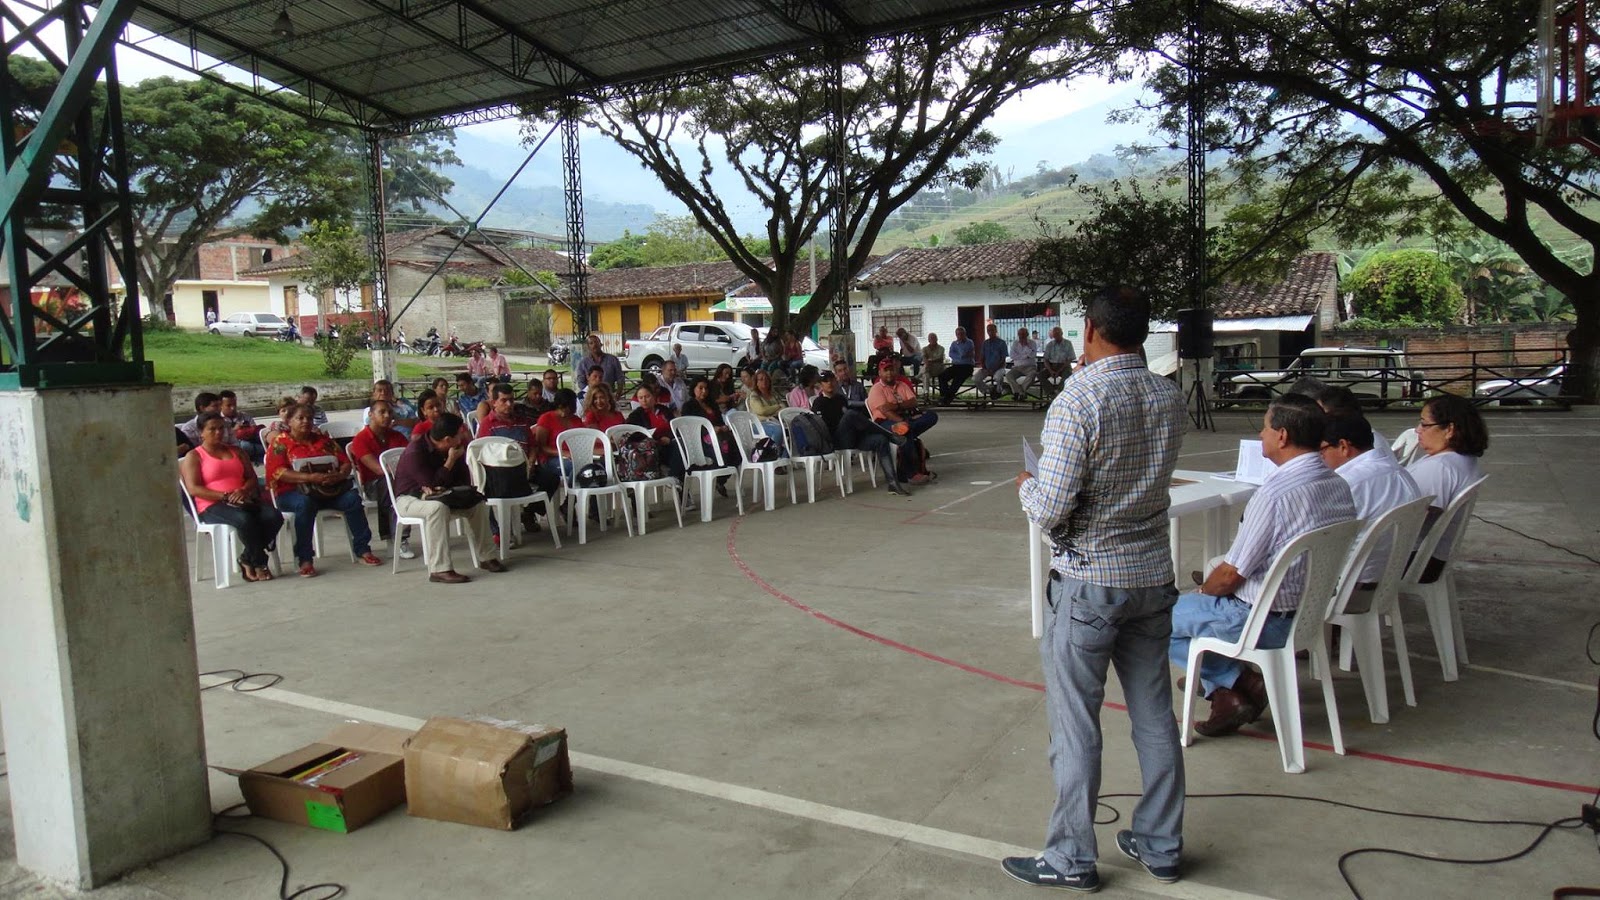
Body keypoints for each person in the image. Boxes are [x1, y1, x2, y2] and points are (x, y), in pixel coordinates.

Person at [1003, 286, 1187, 893]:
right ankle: (1160, 844)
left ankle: (1071, 857)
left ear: (1089, 330)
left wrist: (1029, 485)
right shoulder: (1167, 394)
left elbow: (1052, 508)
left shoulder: (1078, 398)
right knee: (1154, 714)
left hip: (1088, 583)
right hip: (1151, 577)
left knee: (1076, 723)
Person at [1169, 394, 1357, 736]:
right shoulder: (1338, 484)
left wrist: (1202, 591)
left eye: (1265, 428)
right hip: (1308, 615)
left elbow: (1229, 576)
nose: (1261, 436)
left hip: (1259, 620)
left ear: (1282, 436)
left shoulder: (1274, 494)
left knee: (1147, 619)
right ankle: (1232, 691)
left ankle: (1237, 684)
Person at [266, 404, 381, 577]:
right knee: (305, 504)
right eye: (300, 418)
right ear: (289, 421)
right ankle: (304, 559)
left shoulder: (323, 440)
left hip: (327, 489)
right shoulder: (281, 442)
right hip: (292, 492)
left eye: (309, 418)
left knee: (352, 499)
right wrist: (309, 478)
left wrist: (339, 475)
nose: (306, 421)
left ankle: (363, 549)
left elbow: (345, 462)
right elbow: (278, 472)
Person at [390, 413, 506, 584]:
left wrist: (459, 491)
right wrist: (450, 461)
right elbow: (430, 483)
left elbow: (461, 479)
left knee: (477, 502)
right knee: (437, 508)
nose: (463, 436)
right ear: (447, 439)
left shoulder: (454, 447)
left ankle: (487, 557)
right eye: (459, 434)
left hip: (441, 494)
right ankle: (440, 569)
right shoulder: (415, 452)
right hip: (409, 499)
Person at [1318, 412, 1421, 591]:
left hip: (1347, 587)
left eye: (1321, 450)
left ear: (1343, 446)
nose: (1319, 458)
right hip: (1386, 579)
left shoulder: (1345, 483)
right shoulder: (1400, 472)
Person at [180, 412, 284, 583]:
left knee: (273, 516)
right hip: (212, 504)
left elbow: (251, 478)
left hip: (243, 499)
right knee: (245, 520)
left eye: (221, 428)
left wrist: (243, 490)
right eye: (212, 429)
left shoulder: (238, 451)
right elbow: (194, 488)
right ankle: (259, 563)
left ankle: (246, 558)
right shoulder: (195, 456)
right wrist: (225, 496)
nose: (218, 433)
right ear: (201, 432)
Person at [1407, 395, 1489, 582]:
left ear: (1449, 429)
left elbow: (1411, 520)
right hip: (1433, 556)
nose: (1417, 430)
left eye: (1424, 424)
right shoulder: (1461, 459)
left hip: (1417, 560)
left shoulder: (1440, 468)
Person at [812, 371, 904, 496]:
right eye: (825, 381)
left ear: (835, 381)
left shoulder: (840, 399)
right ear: (821, 385)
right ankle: (891, 436)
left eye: (831, 380)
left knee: (880, 440)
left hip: (853, 436)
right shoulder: (818, 403)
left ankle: (893, 483)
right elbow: (821, 428)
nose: (829, 383)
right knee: (850, 414)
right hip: (837, 440)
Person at [349, 399, 414, 559]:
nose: (387, 416)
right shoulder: (361, 439)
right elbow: (378, 469)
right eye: (382, 412)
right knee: (389, 484)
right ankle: (394, 537)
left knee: (408, 485)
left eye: (390, 413)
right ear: (371, 414)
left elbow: (410, 460)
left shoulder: (397, 436)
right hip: (374, 485)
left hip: (399, 480)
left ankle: (401, 534)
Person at [867, 358, 938, 485]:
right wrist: (902, 420)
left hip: (905, 418)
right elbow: (885, 411)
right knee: (904, 430)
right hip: (885, 423)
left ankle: (907, 429)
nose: (889, 373)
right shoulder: (876, 389)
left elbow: (913, 402)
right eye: (886, 370)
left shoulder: (902, 385)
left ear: (896, 371)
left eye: (891, 370)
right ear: (880, 373)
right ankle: (911, 473)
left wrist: (896, 406)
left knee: (931, 416)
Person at [681, 376, 737, 496]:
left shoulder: (712, 404)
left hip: (719, 436)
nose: (704, 391)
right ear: (694, 389)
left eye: (706, 388)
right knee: (722, 449)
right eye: (700, 388)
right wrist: (710, 430)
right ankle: (717, 477)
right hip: (701, 440)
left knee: (736, 448)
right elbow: (689, 427)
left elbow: (720, 421)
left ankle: (721, 480)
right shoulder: (689, 406)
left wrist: (722, 427)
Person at [627, 385, 687, 486]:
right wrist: (657, 439)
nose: (644, 400)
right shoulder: (636, 415)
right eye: (641, 398)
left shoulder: (664, 410)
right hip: (651, 449)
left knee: (681, 446)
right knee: (679, 449)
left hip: (669, 443)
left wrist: (669, 438)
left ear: (654, 397)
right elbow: (634, 436)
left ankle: (676, 480)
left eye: (647, 396)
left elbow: (675, 427)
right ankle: (675, 479)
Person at [532, 388, 583, 495]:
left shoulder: (576, 420)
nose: (566, 411)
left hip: (574, 456)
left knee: (590, 467)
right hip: (551, 459)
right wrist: (564, 453)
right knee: (577, 467)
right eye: (564, 407)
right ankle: (570, 499)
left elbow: (582, 439)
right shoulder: (546, 418)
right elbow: (541, 447)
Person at [476, 383, 536, 455]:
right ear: (494, 403)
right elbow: (484, 452)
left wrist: (531, 460)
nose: (509, 404)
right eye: (504, 400)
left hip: (524, 462)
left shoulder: (522, 421)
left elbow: (532, 445)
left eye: (511, 400)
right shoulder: (487, 424)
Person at [218, 390, 264, 464]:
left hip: (251, 444)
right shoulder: (217, 420)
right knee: (245, 446)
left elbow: (255, 431)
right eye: (229, 405)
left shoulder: (244, 416)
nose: (233, 408)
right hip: (232, 449)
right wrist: (234, 431)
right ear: (220, 405)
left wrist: (247, 431)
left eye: (234, 405)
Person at [745, 369, 787, 445]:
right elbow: (762, 411)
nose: (764, 381)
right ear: (756, 383)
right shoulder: (754, 395)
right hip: (759, 423)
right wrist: (777, 406)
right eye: (761, 379)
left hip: (776, 421)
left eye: (766, 379)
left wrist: (771, 410)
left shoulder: (773, 394)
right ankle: (774, 453)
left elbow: (783, 407)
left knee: (793, 428)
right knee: (778, 431)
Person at [940, 326, 976, 404]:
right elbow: (951, 354)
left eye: (961, 334)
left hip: (967, 366)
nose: (960, 336)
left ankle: (947, 399)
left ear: (965, 334)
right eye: (958, 334)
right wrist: (959, 357)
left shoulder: (969, 342)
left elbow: (963, 353)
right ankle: (945, 396)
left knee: (956, 381)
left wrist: (959, 355)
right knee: (942, 376)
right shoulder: (954, 343)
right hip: (956, 366)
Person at [974, 323, 1008, 400]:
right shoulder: (985, 343)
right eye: (988, 330)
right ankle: (989, 390)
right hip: (987, 368)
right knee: (976, 378)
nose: (990, 332)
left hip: (999, 368)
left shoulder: (1001, 343)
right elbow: (982, 357)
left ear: (995, 331)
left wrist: (995, 368)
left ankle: (999, 391)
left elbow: (1003, 358)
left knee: (998, 378)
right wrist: (984, 367)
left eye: (992, 330)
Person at [1006, 327, 1040, 400]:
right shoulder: (1015, 343)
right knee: (1009, 375)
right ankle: (1020, 392)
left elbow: (1032, 355)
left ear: (1027, 334)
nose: (1021, 336)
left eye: (1023, 334)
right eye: (1020, 334)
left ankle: (1018, 392)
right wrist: (1026, 355)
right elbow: (1012, 356)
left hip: (1030, 366)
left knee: (1032, 375)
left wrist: (1026, 347)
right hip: (1017, 367)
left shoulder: (1032, 343)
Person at [1042, 326, 1075, 394]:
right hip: (1052, 365)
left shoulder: (1068, 343)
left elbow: (1070, 359)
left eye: (1058, 334)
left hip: (1064, 365)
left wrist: (1060, 370)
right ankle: (1051, 392)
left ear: (1061, 333)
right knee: (1040, 375)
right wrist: (1050, 370)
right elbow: (1045, 359)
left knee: (1067, 376)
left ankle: (1059, 391)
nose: (1056, 336)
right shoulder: (1050, 345)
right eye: (1055, 334)